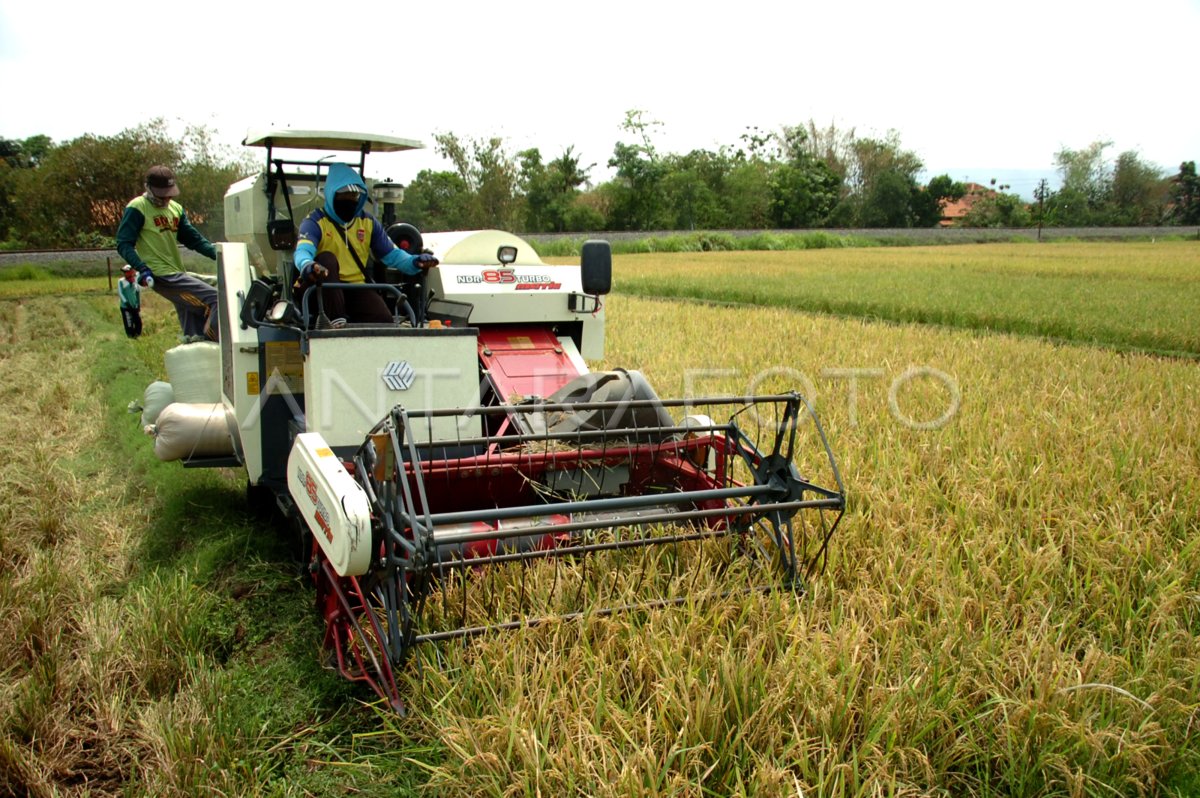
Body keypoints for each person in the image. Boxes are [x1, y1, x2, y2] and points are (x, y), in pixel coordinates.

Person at [294, 162, 438, 326]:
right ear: (331, 194)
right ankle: (335, 326)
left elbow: (393, 255)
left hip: (353, 288)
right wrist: (307, 265)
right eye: (344, 195)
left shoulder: (367, 222)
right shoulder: (315, 221)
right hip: (318, 290)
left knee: (384, 321)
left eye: (354, 196)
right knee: (326, 259)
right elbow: (302, 251)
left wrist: (415, 261)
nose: (349, 200)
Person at [115, 165, 221, 342]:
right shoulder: (138, 208)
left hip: (178, 272)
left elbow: (194, 239)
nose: (166, 198)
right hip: (161, 275)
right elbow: (123, 243)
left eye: (169, 193)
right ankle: (216, 342)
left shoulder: (176, 209)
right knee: (218, 300)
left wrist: (219, 255)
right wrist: (142, 267)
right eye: (162, 194)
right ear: (148, 188)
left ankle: (198, 353)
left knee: (192, 326)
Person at [117, 264, 142, 338]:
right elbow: (120, 293)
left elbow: (138, 293)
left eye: (127, 272)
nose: (126, 273)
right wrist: (126, 302)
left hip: (134, 306)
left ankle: (137, 336)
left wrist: (138, 305)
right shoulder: (121, 281)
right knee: (129, 322)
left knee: (138, 322)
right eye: (125, 272)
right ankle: (130, 337)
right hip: (126, 307)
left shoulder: (135, 281)